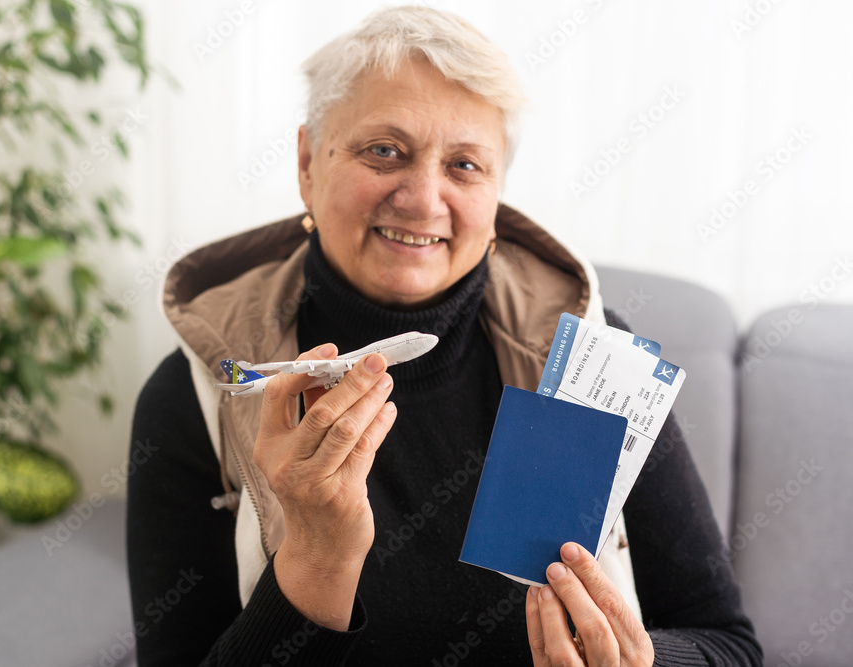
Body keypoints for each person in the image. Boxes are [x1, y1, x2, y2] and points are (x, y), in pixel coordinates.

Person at [127, 7, 763, 666]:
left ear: (497, 196)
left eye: (464, 165)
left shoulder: (590, 365)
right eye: (384, 150)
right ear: (308, 162)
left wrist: (644, 661)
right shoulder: (198, 393)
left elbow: (729, 643)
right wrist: (314, 562)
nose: (424, 198)